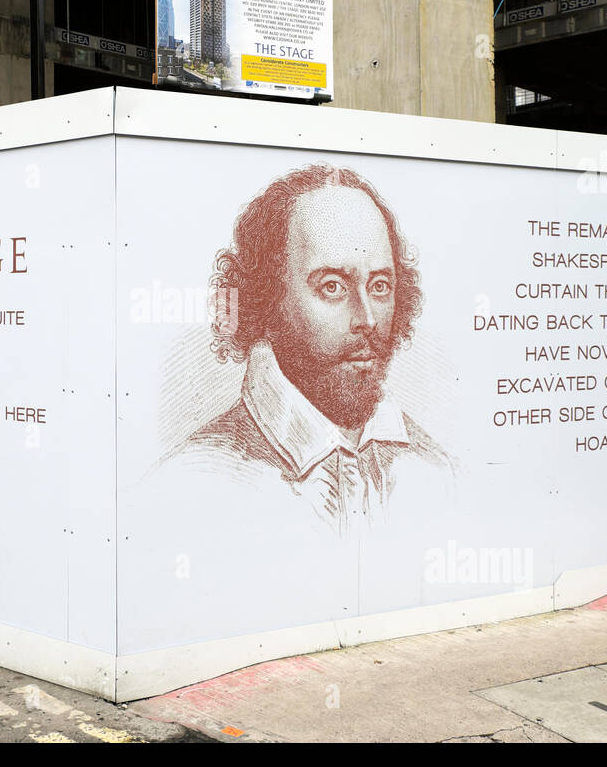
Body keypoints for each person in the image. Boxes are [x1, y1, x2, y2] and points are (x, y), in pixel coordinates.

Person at [158, 163, 454, 531]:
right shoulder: (196, 484)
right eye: (332, 286)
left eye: (379, 286)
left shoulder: (435, 470)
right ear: (266, 298)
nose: (367, 319)